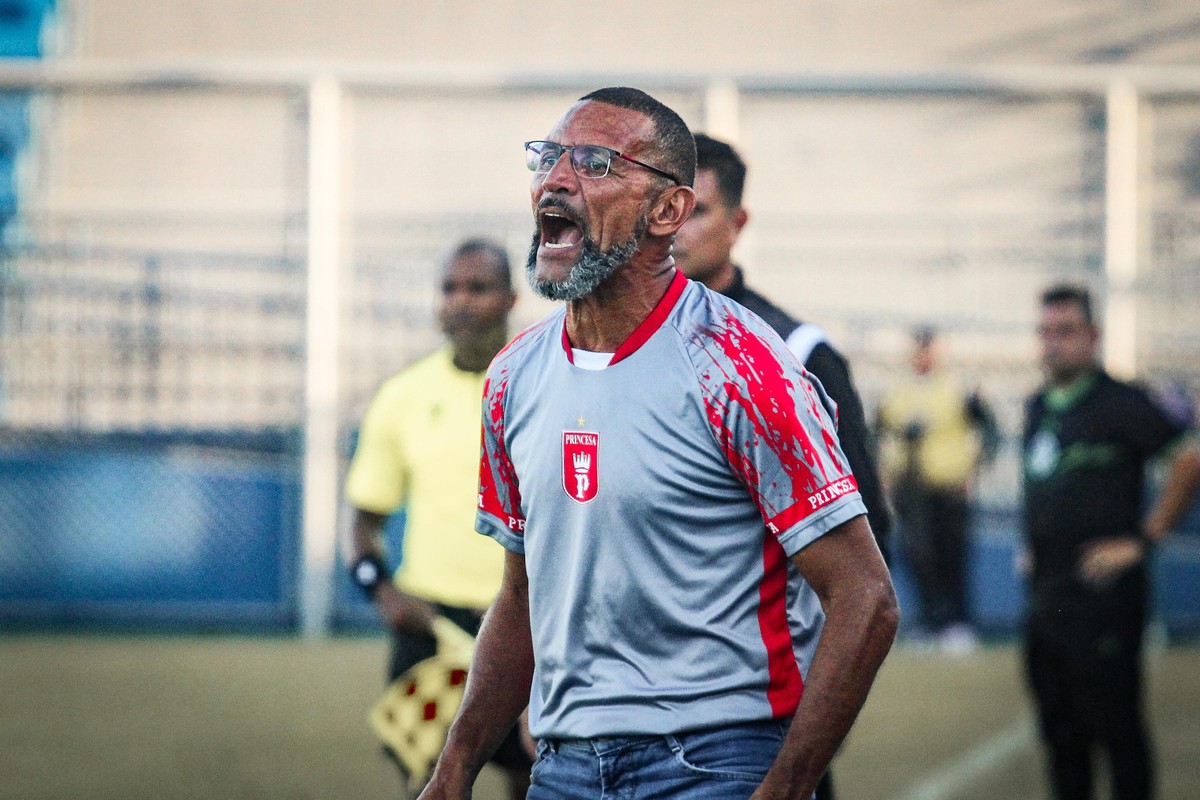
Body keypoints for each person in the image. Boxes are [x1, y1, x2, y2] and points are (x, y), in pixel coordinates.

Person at [419, 87, 899, 800]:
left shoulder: (742, 366)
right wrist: (454, 767)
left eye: (594, 163)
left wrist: (787, 785)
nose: (555, 179)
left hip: (716, 761)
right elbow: (521, 596)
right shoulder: (513, 376)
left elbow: (866, 596)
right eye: (548, 158)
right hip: (563, 766)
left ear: (668, 211)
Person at [673, 131, 892, 800]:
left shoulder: (795, 351)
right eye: (666, 207)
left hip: (763, 701)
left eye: (697, 211)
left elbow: (865, 536)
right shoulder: (617, 349)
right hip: (643, 703)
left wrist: (822, 704)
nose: (676, 228)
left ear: (738, 223)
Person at [342, 238, 531, 800]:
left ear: (511, 299)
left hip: (522, 619)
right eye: (449, 288)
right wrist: (385, 594)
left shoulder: (540, 385)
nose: (460, 301)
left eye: (478, 288)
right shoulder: (402, 396)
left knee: (534, 775)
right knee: (426, 782)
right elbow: (363, 527)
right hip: (429, 629)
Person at [1021, 284, 1200, 800]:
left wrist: (1142, 540)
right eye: (1045, 331)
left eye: (1066, 330)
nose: (1053, 342)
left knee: (1117, 729)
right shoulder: (1037, 407)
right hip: (1047, 595)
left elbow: (1187, 459)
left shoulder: (1123, 401)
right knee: (1061, 735)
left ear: (1093, 336)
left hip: (1105, 597)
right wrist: (1031, 544)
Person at [875, 325, 999, 652]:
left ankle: (958, 622)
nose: (922, 355)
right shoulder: (897, 391)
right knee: (918, 556)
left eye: (927, 348)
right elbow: (878, 433)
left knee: (952, 554)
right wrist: (884, 472)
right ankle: (930, 621)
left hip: (949, 487)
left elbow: (989, 430)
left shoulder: (958, 388)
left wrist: (974, 469)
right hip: (910, 489)